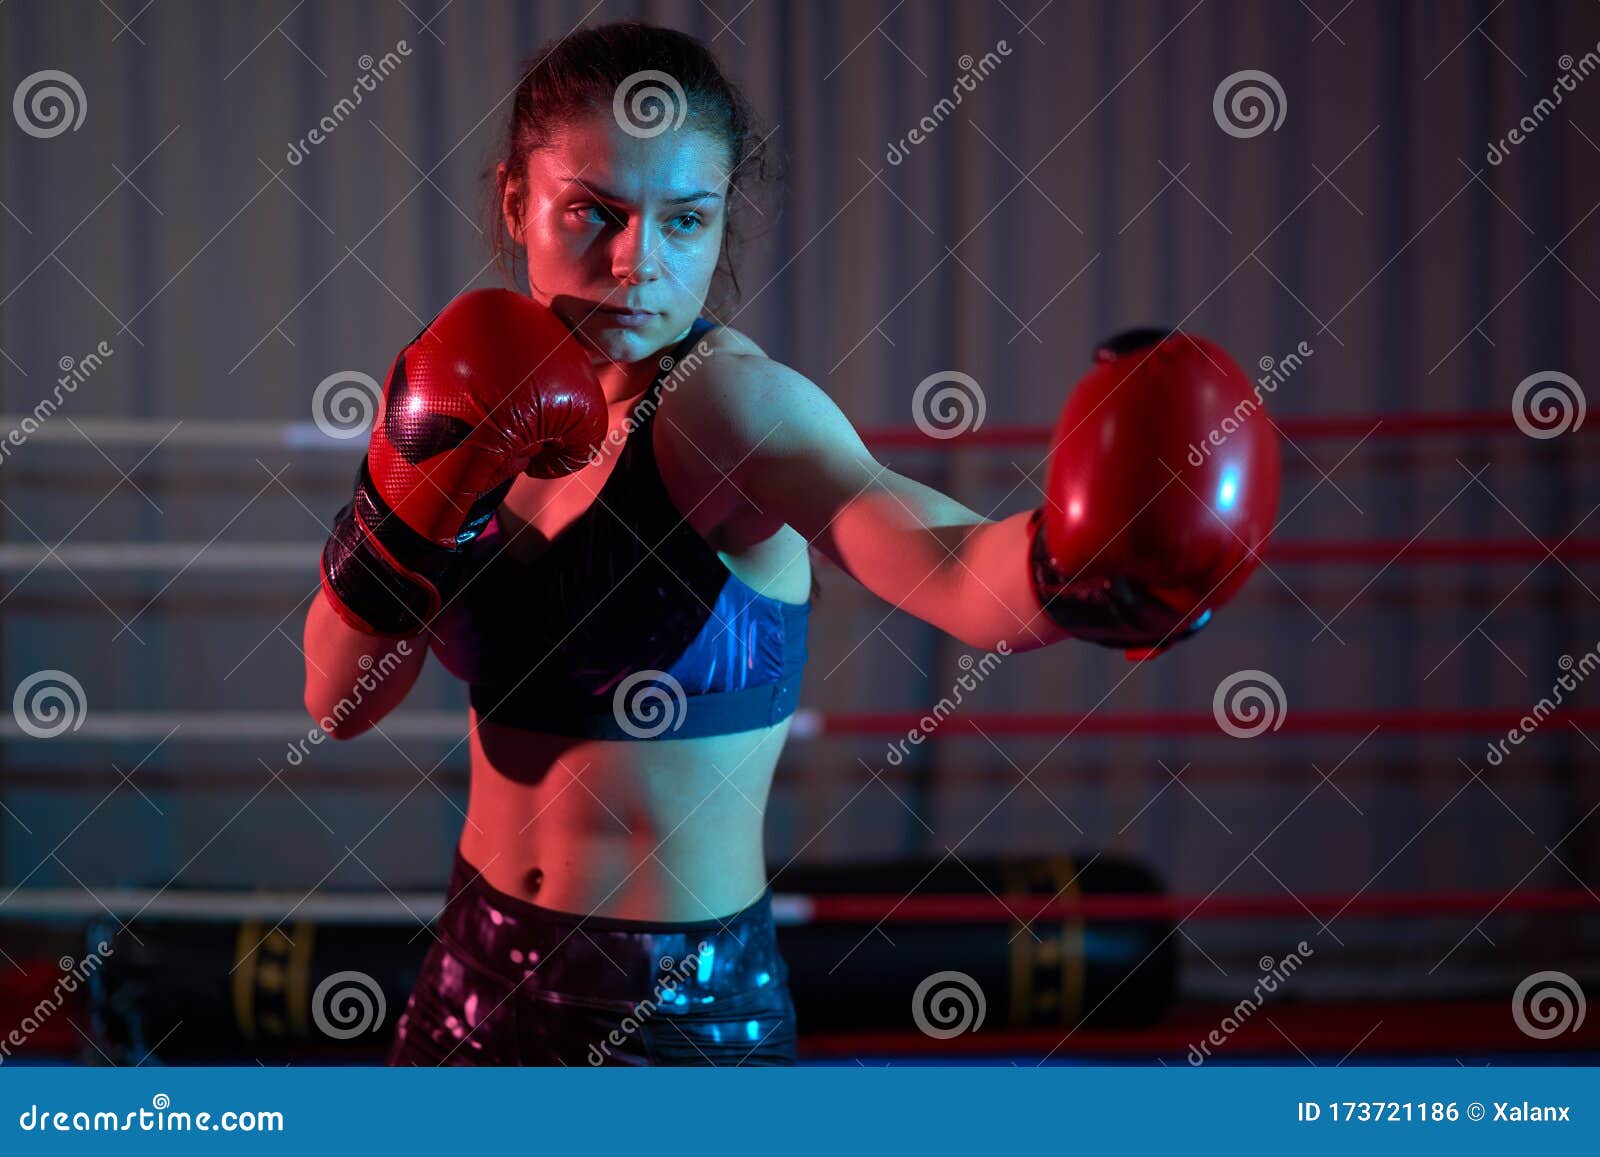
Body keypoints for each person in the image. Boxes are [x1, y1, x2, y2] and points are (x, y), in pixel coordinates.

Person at [302, 21, 1266, 1067]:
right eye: (595, 211)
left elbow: (941, 560)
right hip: (469, 975)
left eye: (685, 219)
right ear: (515, 203)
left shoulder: (729, 408)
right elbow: (338, 702)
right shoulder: (457, 389)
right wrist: (407, 503)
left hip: (677, 1009)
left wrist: (1074, 568)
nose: (638, 263)